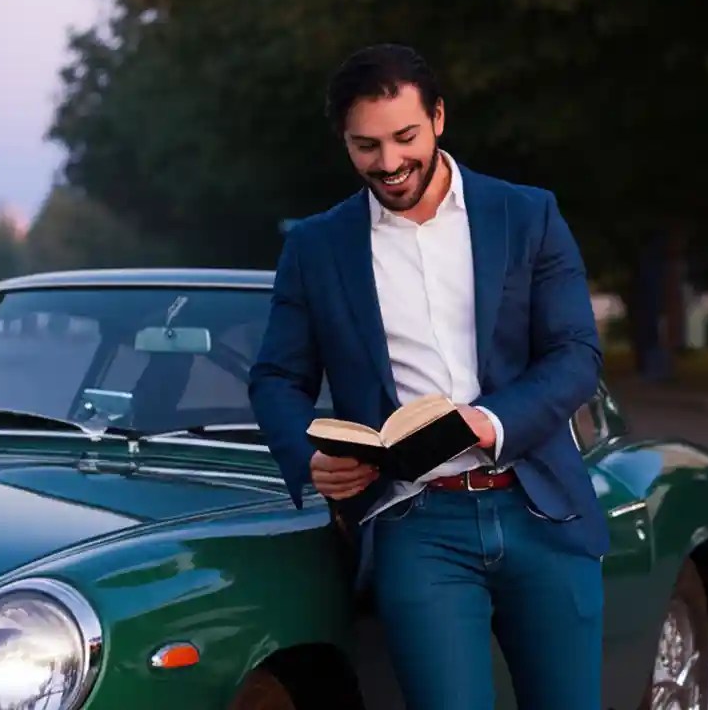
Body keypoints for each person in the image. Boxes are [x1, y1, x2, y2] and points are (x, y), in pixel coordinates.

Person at [248, 43, 607, 710]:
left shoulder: (528, 216)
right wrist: (309, 455)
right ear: (344, 142)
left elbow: (575, 354)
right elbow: (274, 376)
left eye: (405, 138)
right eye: (366, 146)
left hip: (543, 511)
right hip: (419, 525)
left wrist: (488, 420)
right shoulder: (317, 247)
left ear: (438, 118)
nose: (388, 163)